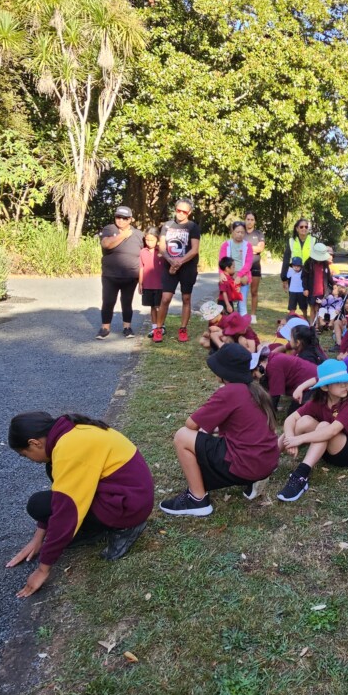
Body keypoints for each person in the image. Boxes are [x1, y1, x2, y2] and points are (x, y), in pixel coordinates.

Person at [5, 411, 154, 597]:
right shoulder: (68, 432)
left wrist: (43, 570)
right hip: (130, 496)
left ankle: (126, 528)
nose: (30, 460)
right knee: (44, 500)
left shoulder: (68, 450)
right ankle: (95, 529)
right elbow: (59, 496)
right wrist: (38, 538)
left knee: (38, 504)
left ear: (35, 443)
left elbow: (66, 511)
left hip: (129, 507)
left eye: (26, 455)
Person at [160, 343, 280, 517]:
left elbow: (191, 425)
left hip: (247, 465)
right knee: (207, 435)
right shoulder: (256, 389)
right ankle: (253, 479)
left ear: (224, 371)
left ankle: (197, 499)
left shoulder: (229, 392)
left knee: (182, 436)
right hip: (266, 462)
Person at [278, 358, 348, 502]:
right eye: (339, 382)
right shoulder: (319, 401)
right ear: (325, 387)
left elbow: (331, 431)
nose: (345, 385)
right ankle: (270, 458)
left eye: (346, 380)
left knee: (324, 426)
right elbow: (291, 419)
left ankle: (300, 476)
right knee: (304, 420)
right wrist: (290, 438)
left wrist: (299, 439)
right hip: (325, 447)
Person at [157, 198, 202, 344]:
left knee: (186, 298)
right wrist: (171, 261)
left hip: (187, 267)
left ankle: (183, 329)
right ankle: (158, 328)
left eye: (184, 211)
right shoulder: (167, 225)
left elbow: (194, 250)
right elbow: (162, 247)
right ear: (175, 209)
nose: (181, 213)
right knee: (165, 298)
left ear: (189, 212)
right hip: (169, 266)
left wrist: (179, 262)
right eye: (178, 210)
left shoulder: (193, 227)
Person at [97, 205, 141, 339]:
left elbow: (146, 252)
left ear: (130, 219)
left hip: (131, 276)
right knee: (108, 301)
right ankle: (105, 328)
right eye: (118, 217)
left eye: (124, 218)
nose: (121, 220)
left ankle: (127, 327)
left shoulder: (139, 234)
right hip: (110, 275)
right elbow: (106, 244)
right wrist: (123, 235)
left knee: (127, 302)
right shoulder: (109, 229)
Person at [218, 220, 254, 316]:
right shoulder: (226, 245)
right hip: (229, 276)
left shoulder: (248, 246)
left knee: (242, 305)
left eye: (242, 232)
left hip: (243, 277)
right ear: (232, 231)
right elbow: (221, 262)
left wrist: (239, 275)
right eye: (237, 232)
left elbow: (248, 264)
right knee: (227, 303)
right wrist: (221, 273)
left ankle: (243, 323)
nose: (240, 234)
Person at [280, 217, 319, 303]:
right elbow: (286, 259)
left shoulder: (313, 240)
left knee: (310, 300)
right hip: (294, 274)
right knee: (293, 300)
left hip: (309, 273)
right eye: (301, 227)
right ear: (297, 228)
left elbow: (318, 259)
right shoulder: (291, 241)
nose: (304, 228)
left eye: (306, 227)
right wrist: (284, 277)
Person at [139, 229, 165, 340]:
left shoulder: (162, 251)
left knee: (159, 307)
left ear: (158, 239)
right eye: (147, 240)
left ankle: (161, 327)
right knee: (152, 307)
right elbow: (141, 268)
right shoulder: (142, 252)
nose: (149, 242)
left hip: (160, 285)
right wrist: (140, 283)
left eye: (152, 240)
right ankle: (154, 328)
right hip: (148, 284)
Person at [243, 211, 266, 322]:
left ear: (255, 221)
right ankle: (242, 314)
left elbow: (260, 248)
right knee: (242, 292)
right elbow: (238, 248)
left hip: (255, 265)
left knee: (254, 291)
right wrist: (253, 248)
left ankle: (253, 315)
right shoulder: (241, 232)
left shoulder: (259, 234)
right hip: (242, 267)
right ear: (245, 220)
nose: (250, 222)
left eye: (252, 220)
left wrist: (246, 247)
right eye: (248, 219)